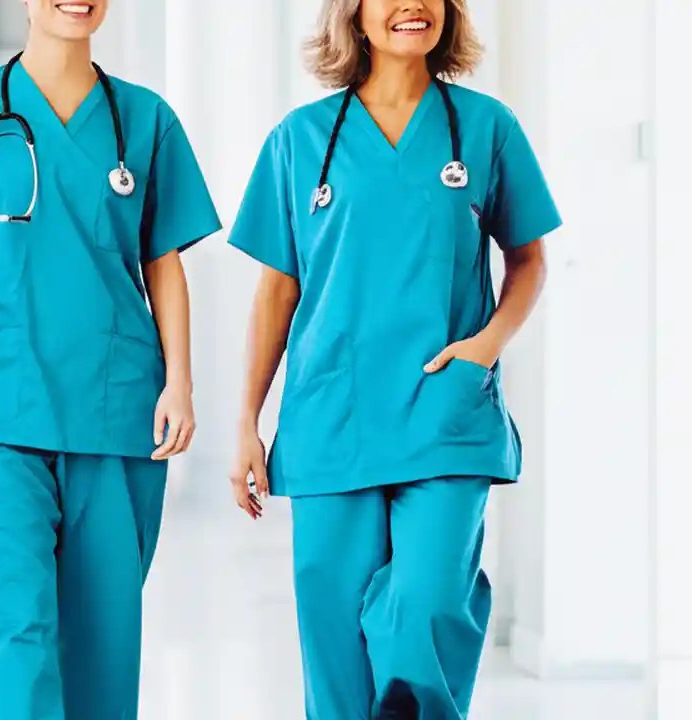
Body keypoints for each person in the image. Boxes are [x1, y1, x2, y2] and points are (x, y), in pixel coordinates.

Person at [227, 1, 560, 718]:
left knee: (428, 602)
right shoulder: (301, 139)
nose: (411, 5)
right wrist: (248, 423)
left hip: (442, 410)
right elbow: (276, 292)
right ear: (353, 14)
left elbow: (528, 258)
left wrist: (485, 347)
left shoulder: (486, 127)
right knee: (335, 644)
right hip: (330, 416)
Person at [0, 0, 220, 716]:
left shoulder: (146, 121)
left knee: (101, 652)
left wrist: (182, 382)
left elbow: (163, 262)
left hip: (112, 408)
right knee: (10, 647)